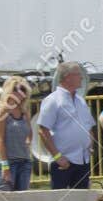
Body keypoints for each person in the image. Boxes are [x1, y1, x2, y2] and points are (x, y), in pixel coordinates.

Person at [37, 60, 95, 189]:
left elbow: (89, 126)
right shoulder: (52, 100)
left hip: (83, 161)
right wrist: (57, 157)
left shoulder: (81, 101)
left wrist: (89, 145)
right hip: (64, 162)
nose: (81, 77)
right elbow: (43, 130)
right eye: (78, 74)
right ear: (67, 77)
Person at [0, 76, 32, 192]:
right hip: (7, 163)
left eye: (23, 89)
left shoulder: (24, 111)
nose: (20, 93)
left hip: (24, 163)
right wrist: (5, 166)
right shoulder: (2, 110)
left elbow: (30, 133)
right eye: (16, 89)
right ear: (8, 91)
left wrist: (27, 143)